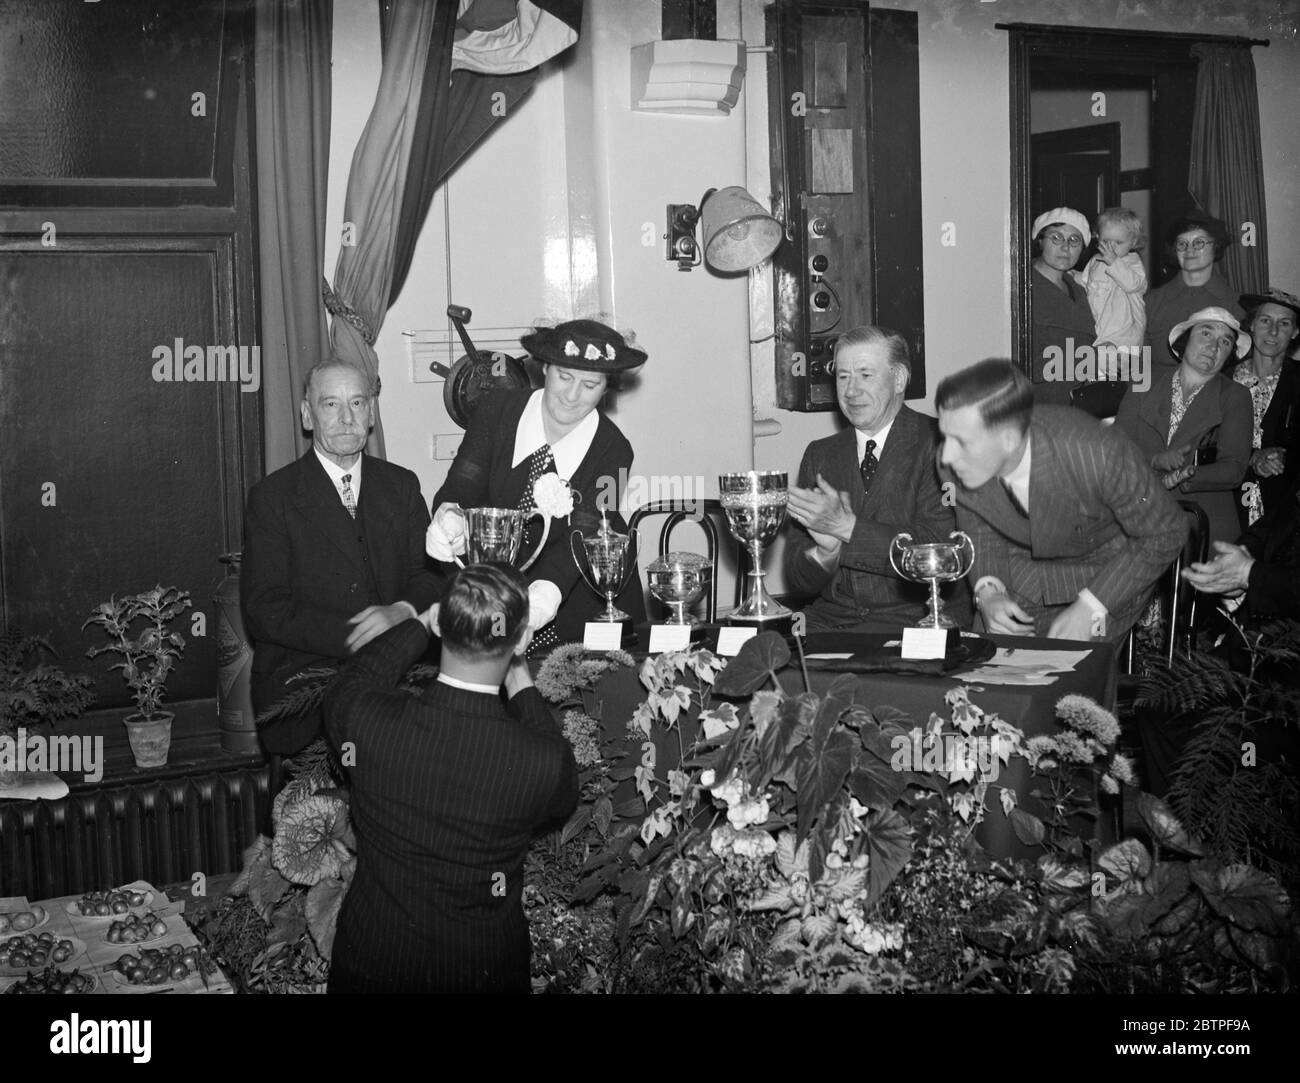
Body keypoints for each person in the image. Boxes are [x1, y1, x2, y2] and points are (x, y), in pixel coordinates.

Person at [322, 563, 577, 994]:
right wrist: (518, 675)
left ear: (442, 622)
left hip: (372, 966)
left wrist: (421, 622)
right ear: (519, 639)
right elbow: (563, 788)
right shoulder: (540, 761)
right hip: (480, 973)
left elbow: (355, 677)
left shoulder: (365, 719)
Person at [242, 361, 444, 756]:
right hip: (305, 688)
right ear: (307, 414)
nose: (346, 418)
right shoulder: (272, 498)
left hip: (403, 678)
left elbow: (431, 578)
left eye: (357, 403)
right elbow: (265, 610)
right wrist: (364, 637)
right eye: (331, 404)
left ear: (371, 413)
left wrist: (402, 611)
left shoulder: (402, 486)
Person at [427, 319, 646, 647]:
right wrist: (450, 519)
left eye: (590, 385)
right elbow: (460, 487)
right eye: (565, 377)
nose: (572, 396)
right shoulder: (495, 412)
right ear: (545, 368)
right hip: (494, 592)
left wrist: (537, 605)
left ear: (607, 386)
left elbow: (583, 535)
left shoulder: (616, 450)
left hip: (581, 602)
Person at [936, 359, 1186, 643]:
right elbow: (981, 530)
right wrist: (989, 592)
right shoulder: (955, 460)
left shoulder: (1100, 452)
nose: (945, 457)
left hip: (1104, 575)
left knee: (1072, 680)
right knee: (983, 673)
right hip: (1019, 572)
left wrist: (1093, 606)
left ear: (1007, 439)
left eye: (961, 441)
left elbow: (1165, 532)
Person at [784, 325, 967, 632]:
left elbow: (939, 548)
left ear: (899, 379)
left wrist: (846, 528)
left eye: (865, 375)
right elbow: (798, 578)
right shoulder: (820, 454)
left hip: (918, 621)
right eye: (843, 376)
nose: (851, 390)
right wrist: (825, 553)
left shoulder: (941, 444)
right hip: (831, 622)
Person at [1114, 307, 1253, 545]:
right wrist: (1154, 461)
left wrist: (1186, 476)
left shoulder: (1236, 396)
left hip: (1200, 520)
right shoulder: (1143, 381)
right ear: (1185, 339)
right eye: (1206, 334)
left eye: (1225, 341)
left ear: (1230, 354)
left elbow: (1234, 468)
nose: (1214, 346)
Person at [1230, 287, 1300, 530]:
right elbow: (1207, 444)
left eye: (1284, 324)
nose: (1273, 331)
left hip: (1285, 515)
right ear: (1251, 325)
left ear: (1295, 332)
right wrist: (1252, 457)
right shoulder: (1225, 379)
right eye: (1265, 320)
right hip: (1226, 505)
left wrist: (1285, 458)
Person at [1145, 212, 1243, 377]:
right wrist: (1138, 399)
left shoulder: (1236, 304)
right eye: (1182, 244)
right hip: (1154, 395)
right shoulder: (1152, 301)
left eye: (1199, 243)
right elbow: (1136, 362)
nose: (1189, 250)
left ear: (1216, 246)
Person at [1028, 206, 1096, 407]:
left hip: (1076, 406)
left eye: (1074, 240)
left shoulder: (1080, 290)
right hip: (1037, 405)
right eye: (1056, 237)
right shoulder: (1022, 287)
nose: (1065, 247)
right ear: (1040, 240)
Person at [1078, 206, 1148, 380]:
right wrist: (1074, 276)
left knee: (1120, 377)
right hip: (1101, 332)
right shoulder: (1095, 260)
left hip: (1125, 335)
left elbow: (1134, 284)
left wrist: (1114, 263)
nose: (1111, 248)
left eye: (1118, 243)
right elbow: (1087, 284)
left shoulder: (1132, 262)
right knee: (1097, 375)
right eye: (1106, 241)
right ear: (1097, 238)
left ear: (1133, 242)